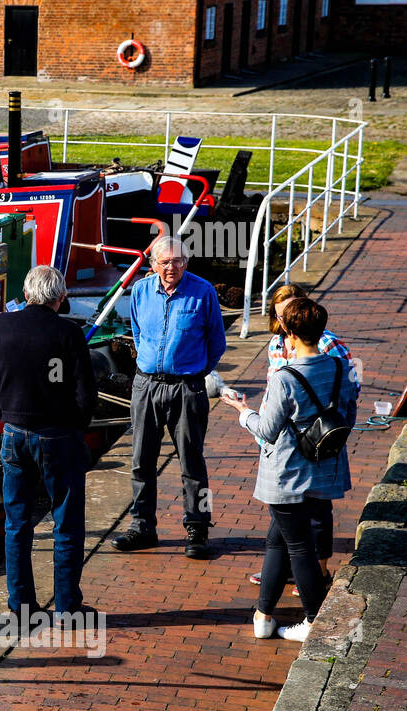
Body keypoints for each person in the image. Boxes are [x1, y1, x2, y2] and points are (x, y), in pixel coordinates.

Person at [222, 298, 355, 641]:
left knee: (298, 547)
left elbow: (266, 430)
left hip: (287, 474)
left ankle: (312, 622)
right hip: (325, 467)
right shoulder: (342, 368)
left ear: (290, 333)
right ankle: (263, 616)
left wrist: (241, 411)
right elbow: (348, 417)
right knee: (277, 539)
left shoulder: (285, 378)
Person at [0, 265, 98, 625]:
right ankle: (66, 606)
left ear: (27, 293)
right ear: (60, 297)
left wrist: (8, 414)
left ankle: (22, 607)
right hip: (58, 436)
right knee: (66, 523)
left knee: (16, 523)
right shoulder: (69, 332)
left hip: (14, 433)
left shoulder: (1, 326)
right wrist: (74, 427)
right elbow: (85, 395)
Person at [112, 236, 226, 558]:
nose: (171, 267)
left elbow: (216, 343)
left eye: (177, 261)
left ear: (185, 263)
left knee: (192, 463)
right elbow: (137, 332)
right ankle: (142, 526)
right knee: (140, 462)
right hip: (146, 386)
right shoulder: (141, 291)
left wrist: (193, 372)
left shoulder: (203, 292)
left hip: (187, 388)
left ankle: (198, 528)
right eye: (165, 262)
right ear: (154, 265)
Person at [247, 284, 360, 588]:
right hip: (280, 441)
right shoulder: (275, 344)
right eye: (281, 314)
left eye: (291, 313)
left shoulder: (329, 345)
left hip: (314, 440)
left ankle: (317, 573)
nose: (286, 320)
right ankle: (281, 569)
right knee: (284, 512)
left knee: (317, 511)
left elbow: (350, 388)